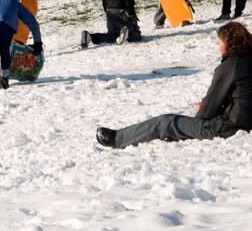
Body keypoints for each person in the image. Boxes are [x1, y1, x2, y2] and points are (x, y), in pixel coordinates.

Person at [98, 22, 252, 148]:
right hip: (243, 123)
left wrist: (198, 119)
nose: (219, 46)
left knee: (165, 122)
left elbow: (211, 104)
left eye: (220, 42)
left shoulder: (231, 66)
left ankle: (118, 138)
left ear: (229, 43)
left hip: (227, 128)